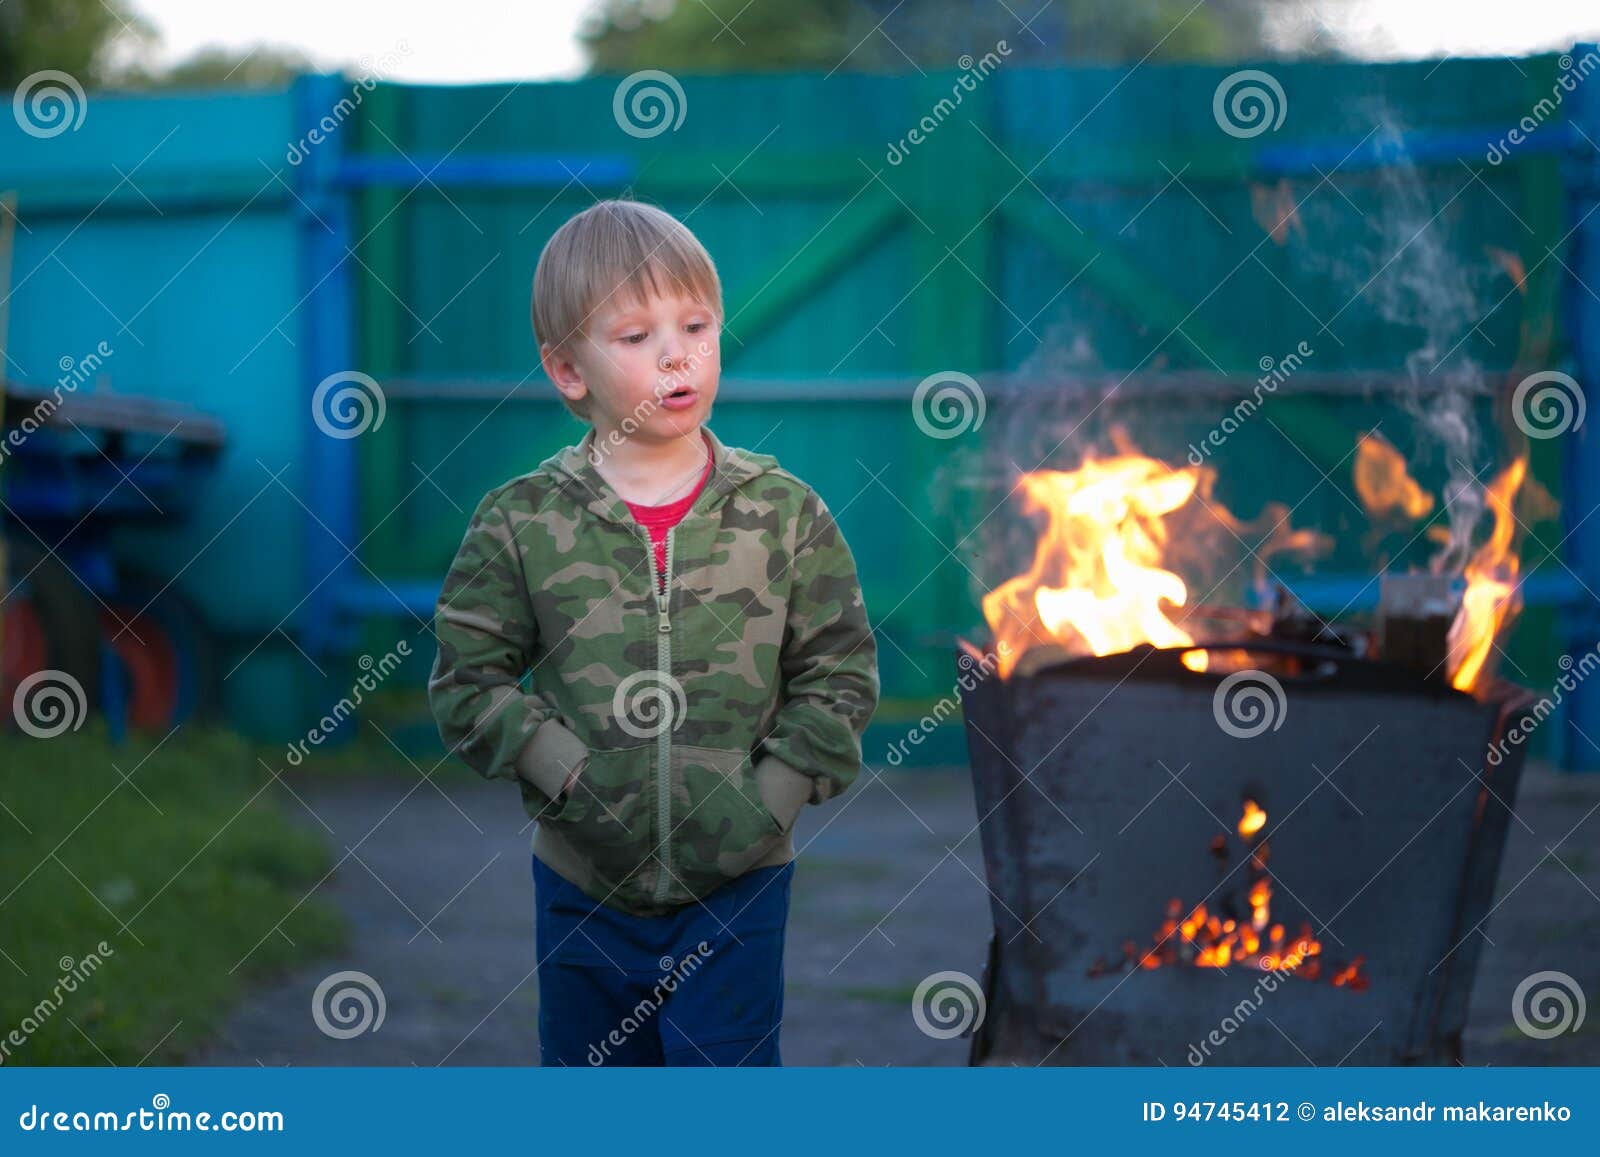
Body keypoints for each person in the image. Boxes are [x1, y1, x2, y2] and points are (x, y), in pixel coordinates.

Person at [427, 199, 879, 1066]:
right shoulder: (522, 521)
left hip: (741, 888)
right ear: (568, 370)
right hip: (582, 887)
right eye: (635, 336)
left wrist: (769, 799)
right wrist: (566, 776)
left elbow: (841, 673)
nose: (677, 353)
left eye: (696, 324)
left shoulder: (782, 512)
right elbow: (466, 682)